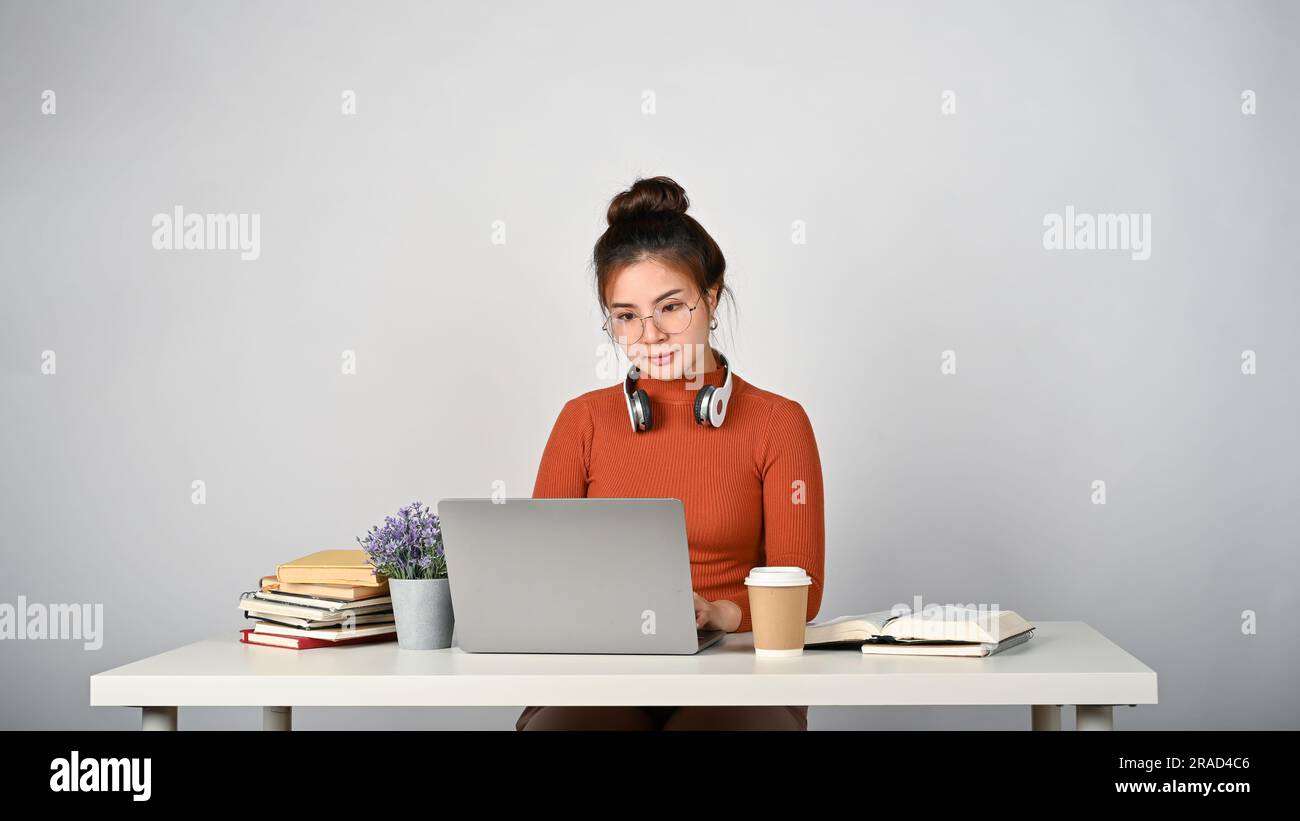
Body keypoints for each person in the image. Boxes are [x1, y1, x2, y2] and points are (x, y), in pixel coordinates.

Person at [516, 175, 825, 731]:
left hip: (737, 672)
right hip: (600, 672)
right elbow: (539, 580)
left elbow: (802, 591)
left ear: (710, 296)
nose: (649, 335)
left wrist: (722, 613)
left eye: (671, 307)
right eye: (626, 315)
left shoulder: (779, 424)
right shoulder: (581, 421)